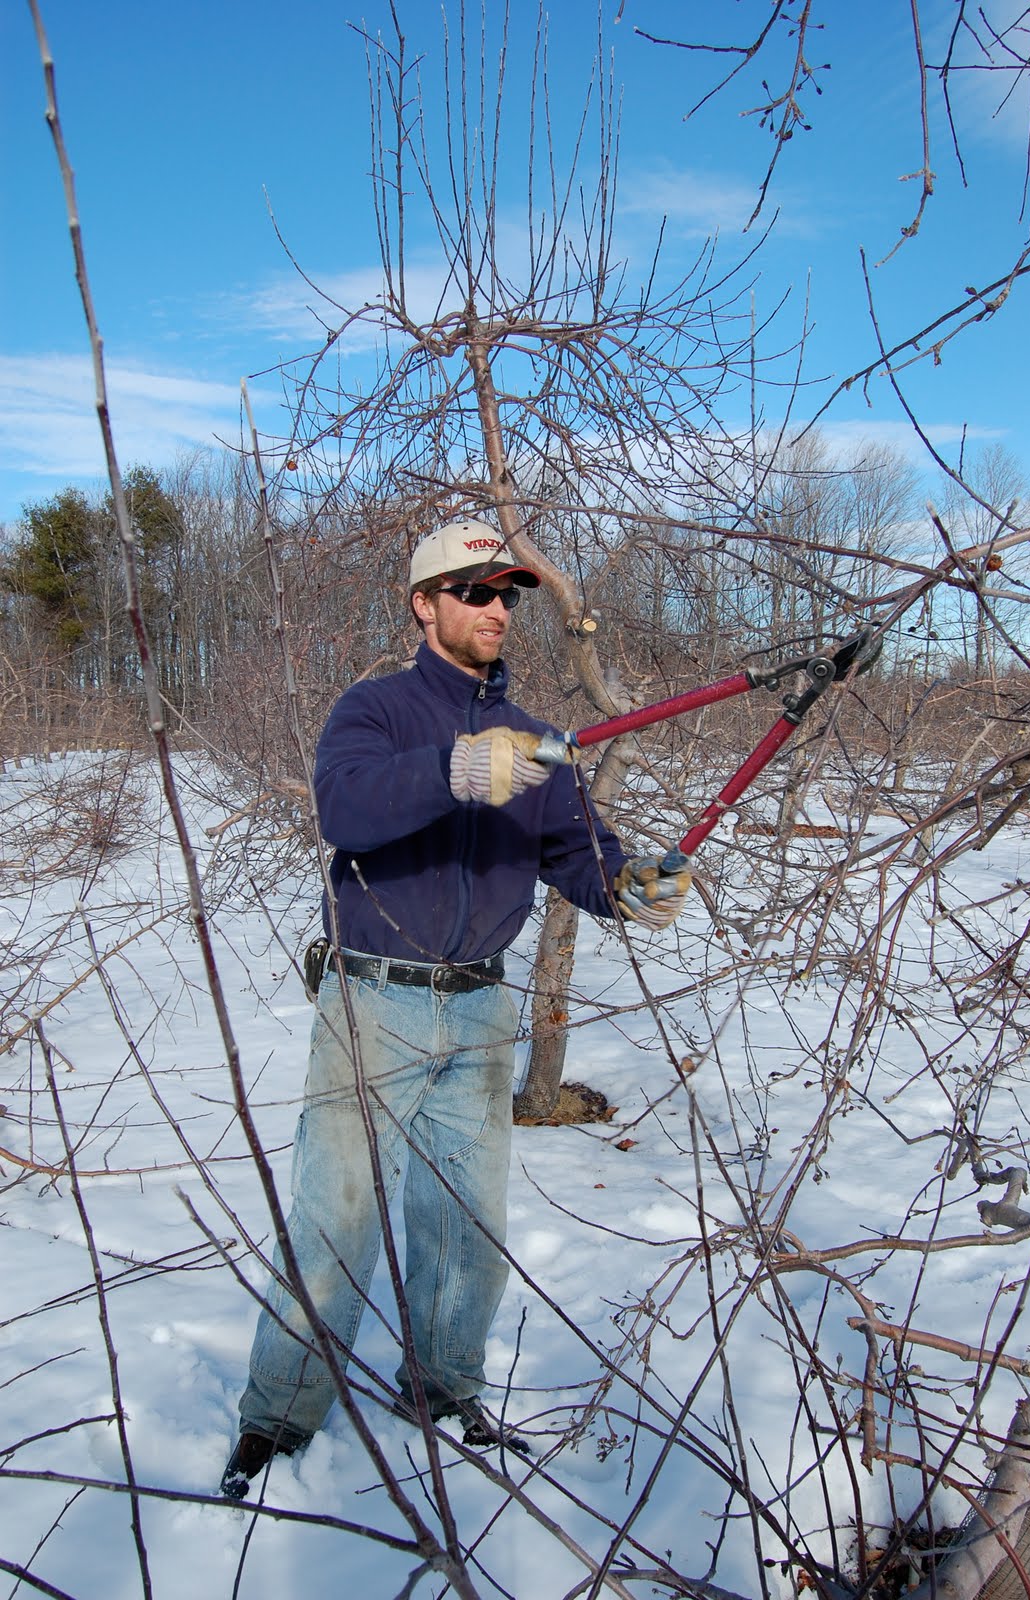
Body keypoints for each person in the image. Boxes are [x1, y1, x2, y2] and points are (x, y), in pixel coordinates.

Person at [220, 518, 691, 1497]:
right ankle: (275, 1424)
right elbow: (343, 810)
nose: (493, 609)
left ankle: (443, 1393)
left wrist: (626, 881)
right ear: (422, 603)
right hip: (374, 1006)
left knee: (466, 1229)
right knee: (336, 1222)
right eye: (472, 590)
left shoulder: (536, 741)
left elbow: (573, 849)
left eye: (505, 594)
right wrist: (454, 769)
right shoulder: (376, 711)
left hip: (479, 1012)